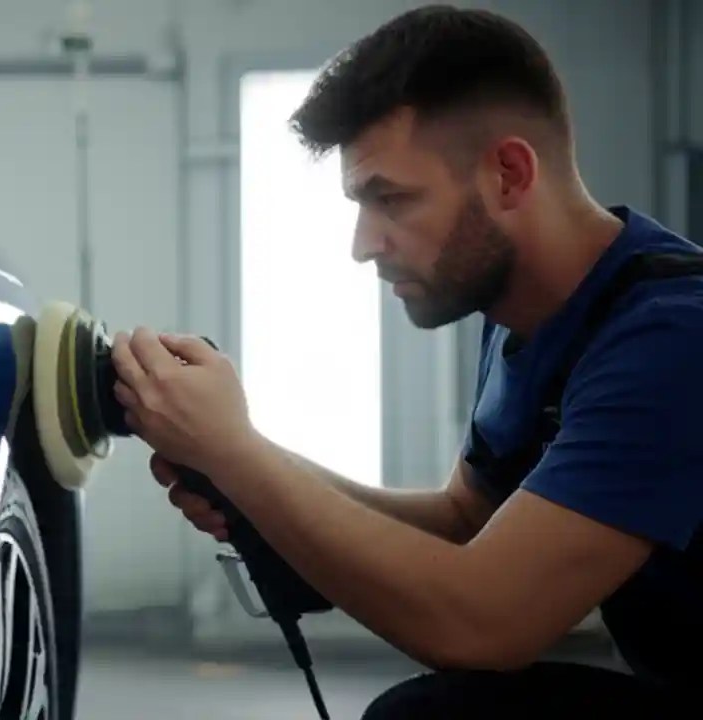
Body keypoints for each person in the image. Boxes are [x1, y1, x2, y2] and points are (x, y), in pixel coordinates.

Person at [111, 5, 702, 717]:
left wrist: (235, 454)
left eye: (389, 199)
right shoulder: (528, 320)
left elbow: (482, 622)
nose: (364, 244)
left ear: (509, 174)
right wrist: (246, 461)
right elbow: (466, 521)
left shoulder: (672, 339)